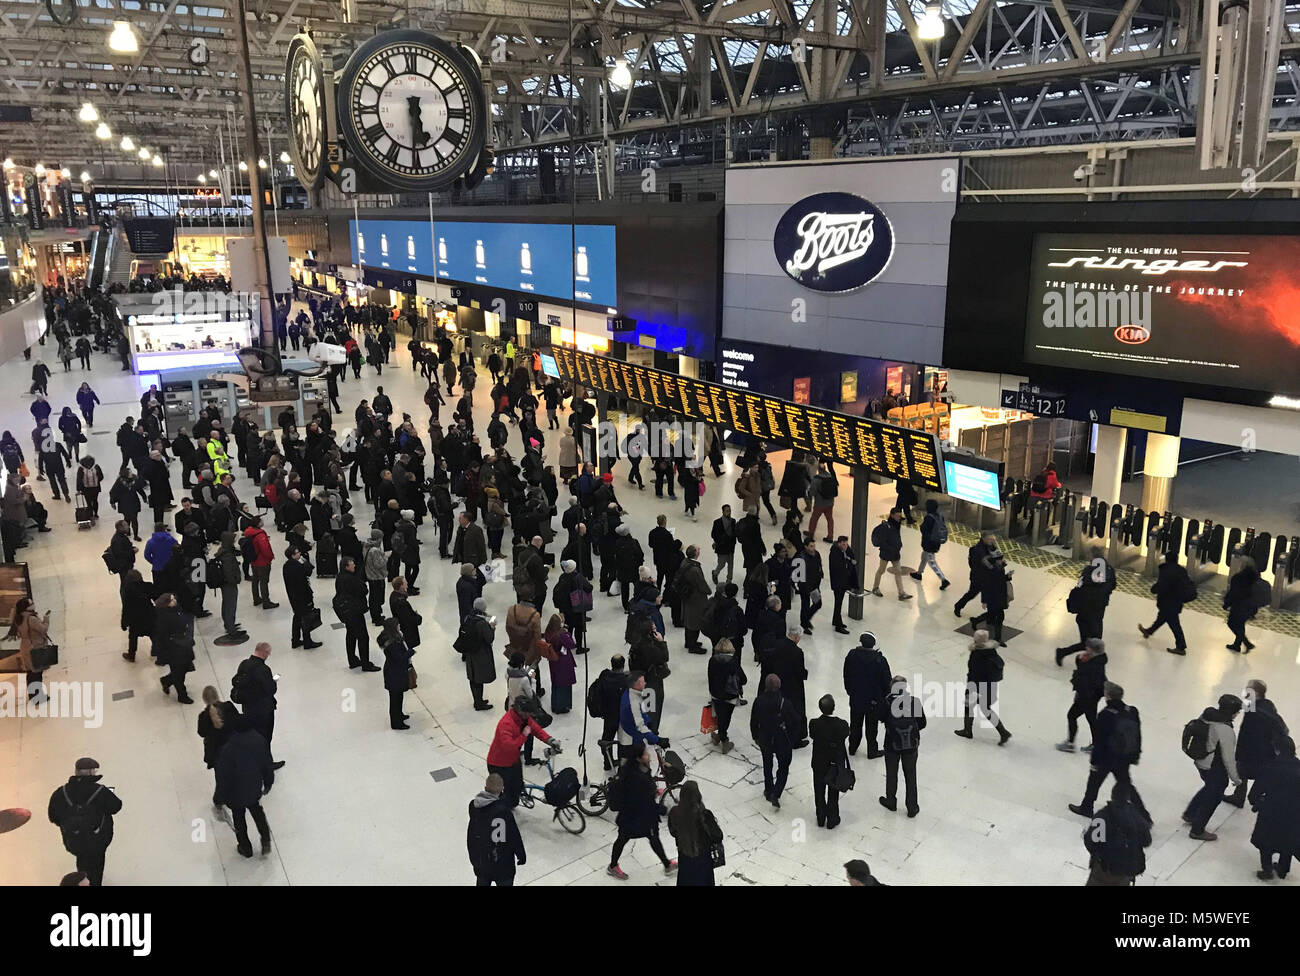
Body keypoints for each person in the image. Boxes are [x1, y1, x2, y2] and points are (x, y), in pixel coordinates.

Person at [1069, 682, 1146, 821]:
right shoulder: (1132, 711)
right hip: (1124, 757)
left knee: (1094, 782)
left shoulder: (1105, 715)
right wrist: (1135, 755)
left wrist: (1094, 761)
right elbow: (1137, 734)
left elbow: (1100, 741)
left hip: (1107, 757)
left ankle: (1087, 807)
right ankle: (1143, 814)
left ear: (1108, 696)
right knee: (1126, 784)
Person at [607, 740, 676, 880]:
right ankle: (613, 866)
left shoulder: (636, 770)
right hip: (636, 817)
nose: (648, 755)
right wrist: (663, 810)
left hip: (633, 816)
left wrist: (652, 792)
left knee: (649, 838)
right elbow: (644, 803)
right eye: (645, 753)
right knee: (626, 839)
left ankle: (667, 864)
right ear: (638, 758)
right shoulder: (637, 779)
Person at [47, 758, 122, 886]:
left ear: (76, 771)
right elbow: (116, 806)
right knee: (96, 869)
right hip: (97, 839)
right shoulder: (100, 790)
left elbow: (53, 816)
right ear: (92, 772)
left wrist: (72, 824)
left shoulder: (62, 792)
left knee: (82, 867)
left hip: (74, 841)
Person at [1182, 693, 1243, 841]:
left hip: (1201, 761)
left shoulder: (1207, 716)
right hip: (1212, 765)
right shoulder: (1225, 730)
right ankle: (1197, 830)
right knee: (1214, 795)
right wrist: (1236, 779)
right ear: (1233, 712)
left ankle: (1190, 813)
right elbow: (1228, 759)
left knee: (1209, 786)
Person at [214, 714, 275, 858]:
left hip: (235, 793)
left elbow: (223, 777)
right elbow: (267, 764)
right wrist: (268, 782)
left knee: (239, 818)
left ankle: (245, 847)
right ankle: (265, 840)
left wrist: (219, 798)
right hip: (253, 787)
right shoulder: (260, 741)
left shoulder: (228, 749)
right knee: (258, 813)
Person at [1227, 678, 1290, 808]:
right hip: (1268, 754)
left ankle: (1241, 797)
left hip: (1256, 753)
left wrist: (1239, 754)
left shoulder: (1254, 712)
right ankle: (1242, 796)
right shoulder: (1267, 705)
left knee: (1242, 770)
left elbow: (1248, 735)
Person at [486, 701, 557, 809]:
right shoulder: (506, 724)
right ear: (520, 711)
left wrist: (550, 740)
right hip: (498, 764)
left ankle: (512, 803)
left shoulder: (523, 718)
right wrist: (524, 735)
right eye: (528, 713)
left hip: (513, 760)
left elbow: (535, 728)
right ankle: (501, 812)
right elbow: (509, 746)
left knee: (517, 787)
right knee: (505, 792)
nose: (530, 716)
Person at [1082, 782, 1152, 885]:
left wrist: (1098, 855)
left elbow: (1091, 841)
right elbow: (1147, 841)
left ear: (1112, 795)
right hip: (1126, 871)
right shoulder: (1137, 817)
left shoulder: (1103, 815)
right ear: (1128, 797)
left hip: (1104, 869)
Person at [1054, 550, 1117, 665]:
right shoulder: (1109, 572)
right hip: (1096, 614)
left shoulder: (1086, 573)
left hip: (1084, 614)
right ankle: (1070, 656)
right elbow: (1112, 586)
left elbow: (1078, 590)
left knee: (1088, 642)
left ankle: (1065, 653)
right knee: (1092, 641)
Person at [1250, 737, 1300, 880]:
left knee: (1265, 841)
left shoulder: (1270, 767)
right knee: (1288, 840)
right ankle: (1283, 869)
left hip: (1270, 811)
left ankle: (1267, 870)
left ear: (1277, 750)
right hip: (1294, 813)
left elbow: (1255, 793)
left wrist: (1256, 801)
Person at [467, 772, 526, 886]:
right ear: (502, 789)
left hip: (481, 861)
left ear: (485, 788)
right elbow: (513, 835)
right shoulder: (503, 811)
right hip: (502, 864)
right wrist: (520, 854)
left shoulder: (474, 806)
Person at [231, 643, 284, 770]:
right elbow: (270, 690)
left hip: (248, 709)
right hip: (264, 710)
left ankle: (254, 761)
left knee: (254, 736)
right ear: (264, 653)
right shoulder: (263, 669)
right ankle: (266, 764)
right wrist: (273, 681)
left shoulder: (244, 664)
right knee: (265, 737)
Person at [879, 675, 926, 817]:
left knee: (892, 774)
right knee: (911, 775)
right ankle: (912, 807)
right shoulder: (914, 702)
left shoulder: (887, 702)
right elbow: (922, 723)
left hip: (892, 744)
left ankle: (891, 801)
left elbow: (879, 717)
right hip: (911, 746)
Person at [955, 630, 1011, 745]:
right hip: (990, 685)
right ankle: (1003, 732)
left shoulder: (977, 654)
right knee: (986, 709)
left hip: (975, 686)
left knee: (968, 707)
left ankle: (967, 731)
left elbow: (974, 672)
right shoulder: (991, 651)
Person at [751, 674, 798, 809]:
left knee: (767, 764)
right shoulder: (785, 703)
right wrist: (792, 739)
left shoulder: (758, 701)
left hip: (765, 738)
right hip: (782, 740)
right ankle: (776, 793)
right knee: (783, 766)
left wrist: (756, 736)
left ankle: (768, 789)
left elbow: (754, 721)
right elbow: (795, 721)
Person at [843, 632, 891, 758]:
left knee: (855, 724)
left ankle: (852, 748)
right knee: (872, 727)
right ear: (874, 644)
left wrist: (850, 691)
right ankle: (872, 751)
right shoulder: (880, 660)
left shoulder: (852, 655)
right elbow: (887, 682)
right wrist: (883, 697)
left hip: (856, 697)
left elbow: (846, 675)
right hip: (873, 700)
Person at [1056, 638, 1107, 753]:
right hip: (1091, 697)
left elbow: (1083, 678)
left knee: (1072, 716)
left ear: (1093, 651)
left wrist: (1081, 662)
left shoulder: (1093, 665)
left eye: (1088, 647)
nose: (1086, 648)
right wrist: (1080, 660)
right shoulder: (1099, 661)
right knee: (1092, 719)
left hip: (1087, 697)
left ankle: (1070, 743)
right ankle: (1096, 745)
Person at [1141, 549, 1194, 655]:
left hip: (1168, 601)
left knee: (1174, 623)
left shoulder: (1166, 570)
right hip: (1176, 601)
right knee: (1162, 617)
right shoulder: (1181, 571)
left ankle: (1181, 646)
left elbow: (1162, 584)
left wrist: (1154, 589)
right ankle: (1149, 631)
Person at [809, 694, 850, 829]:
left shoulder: (814, 724)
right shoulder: (842, 725)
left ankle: (821, 817)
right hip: (835, 763)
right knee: (833, 791)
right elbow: (846, 734)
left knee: (819, 791)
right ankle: (832, 819)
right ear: (834, 707)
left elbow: (813, 735)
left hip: (819, 762)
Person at [667, 781, 719, 886]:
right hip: (702, 858)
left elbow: (673, 832)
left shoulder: (675, 812)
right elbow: (718, 836)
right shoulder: (704, 815)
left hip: (684, 855)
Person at [333, 556, 378, 671]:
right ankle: (365, 664)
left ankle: (352, 660)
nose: (354, 565)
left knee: (351, 635)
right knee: (363, 637)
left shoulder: (340, 577)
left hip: (346, 611)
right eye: (352, 564)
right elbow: (363, 590)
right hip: (355, 611)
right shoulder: (351, 579)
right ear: (346, 566)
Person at [197, 685, 237, 809]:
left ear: (204, 699)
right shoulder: (228, 707)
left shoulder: (203, 716)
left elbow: (201, 732)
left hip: (216, 751)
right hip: (232, 746)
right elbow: (238, 721)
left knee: (220, 776)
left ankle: (219, 799)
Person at [8, 597, 54, 702]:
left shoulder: (18, 618)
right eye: (31, 603)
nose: (34, 604)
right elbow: (43, 629)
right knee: (37, 673)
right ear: (27, 608)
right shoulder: (31, 619)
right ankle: (38, 697)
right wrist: (46, 619)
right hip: (35, 647)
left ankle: (33, 695)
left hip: (25, 647)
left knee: (31, 673)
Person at [455, 597, 497, 710]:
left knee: (473, 677)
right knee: (479, 678)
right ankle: (479, 703)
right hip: (480, 653)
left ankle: (477, 700)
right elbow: (489, 639)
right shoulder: (482, 623)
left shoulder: (468, 617)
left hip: (470, 652)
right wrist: (492, 627)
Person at [154, 593, 196, 703]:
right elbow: (162, 636)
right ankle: (182, 695)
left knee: (183, 668)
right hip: (174, 649)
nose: (175, 601)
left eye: (174, 599)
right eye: (171, 600)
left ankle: (166, 681)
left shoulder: (176, 610)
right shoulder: (164, 617)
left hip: (183, 645)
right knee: (179, 672)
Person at [706, 637, 745, 754]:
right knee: (726, 717)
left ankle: (720, 736)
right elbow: (743, 679)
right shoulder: (733, 662)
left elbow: (710, 677)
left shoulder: (712, 660)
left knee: (720, 716)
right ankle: (724, 740)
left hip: (716, 694)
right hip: (731, 695)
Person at [1224, 558, 1269, 653]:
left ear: (1243, 565)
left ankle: (1247, 643)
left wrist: (1226, 603)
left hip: (1240, 606)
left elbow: (1233, 593)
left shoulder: (1238, 578)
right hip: (1251, 607)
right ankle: (1237, 645)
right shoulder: (1255, 576)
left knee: (1231, 623)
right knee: (1240, 624)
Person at [379, 618, 415, 730]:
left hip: (395, 671)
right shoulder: (392, 644)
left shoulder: (393, 639)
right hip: (395, 673)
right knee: (395, 699)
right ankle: (396, 723)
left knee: (398, 696)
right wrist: (410, 652)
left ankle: (399, 715)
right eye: (398, 625)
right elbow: (399, 658)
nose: (399, 626)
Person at [870, 508, 912, 601]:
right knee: (881, 570)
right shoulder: (886, 526)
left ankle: (901, 593)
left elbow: (897, 536)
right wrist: (891, 548)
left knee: (898, 571)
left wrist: (898, 545)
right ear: (892, 515)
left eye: (900, 515)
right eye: (897, 515)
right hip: (886, 552)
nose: (899, 517)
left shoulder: (897, 524)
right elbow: (882, 541)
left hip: (895, 552)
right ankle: (875, 587)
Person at [953, 531, 996, 617]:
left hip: (987, 576)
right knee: (972, 593)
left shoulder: (991, 547)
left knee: (991, 595)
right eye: (989, 539)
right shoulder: (977, 550)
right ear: (984, 539)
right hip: (978, 577)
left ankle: (992, 615)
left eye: (992, 539)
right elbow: (976, 565)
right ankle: (958, 606)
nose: (991, 541)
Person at [678, 544, 711, 654]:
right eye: (698, 549)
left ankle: (688, 642)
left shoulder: (685, 562)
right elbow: (701, 584)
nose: (699, 551)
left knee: (688, 621)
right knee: (695, 622)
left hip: (687, 596)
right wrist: (708, 591)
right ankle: (693, 646)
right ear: (695, 553)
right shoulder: (695, 569)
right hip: (696, 598)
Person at [910, 498, 949, 588]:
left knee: (931, 562)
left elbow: (924, 529)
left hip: (929, 543)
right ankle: (919, 574)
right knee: (924, 557)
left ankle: (944, 580)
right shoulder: (940, 516)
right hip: (936, 542)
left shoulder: (929, 517)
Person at [542, 614, 577, 713]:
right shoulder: (562, 635)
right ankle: (562, 706)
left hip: (553, 661)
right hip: (563, 662)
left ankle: (555, 704)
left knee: (556, 683)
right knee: (564, 685)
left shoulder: (549, 632)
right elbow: (572, 644)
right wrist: (567, 633)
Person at [243, 516, 278, 610]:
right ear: (258, 523)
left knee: (255, 580)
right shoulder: (260, 535)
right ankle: (266, 602)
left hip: (253, 560)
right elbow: (265, 549)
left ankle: (256, 598)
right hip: (262, 561)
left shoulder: (249, 532)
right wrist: (271, 556)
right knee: (264, 582)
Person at [828, 535, 856, 635]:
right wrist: (849, 561)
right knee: (838, 603)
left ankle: (836, 620)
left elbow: (850, 554)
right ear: (839, 543)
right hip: (838, 583)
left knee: (838, 603)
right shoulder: (835, 553)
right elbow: (839, 567)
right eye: (843, 544)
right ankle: (838, 625)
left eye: (846, 544)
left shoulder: (841, 550)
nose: (845, 546)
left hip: (841, 582)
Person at [807, 461, 838, 541]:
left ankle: (811, 534)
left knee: (814, 518)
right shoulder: (831, 476)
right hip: (830, 503)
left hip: (820, 503)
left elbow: (812, 492)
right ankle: (830, 536)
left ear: (818, 469)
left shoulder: (816, 479)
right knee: (830, 519)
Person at [710, 504, 737, 585]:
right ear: (723, 512)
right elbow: (713, 534)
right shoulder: (717, 522)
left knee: (731, 565)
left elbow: (734, 532)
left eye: (730, 510)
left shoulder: (733, 521)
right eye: (727, 511)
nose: (729, 512)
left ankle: (729, 581)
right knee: (721, 564)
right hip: (722, 547)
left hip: (731, 547)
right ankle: (715, 573)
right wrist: (720, 540)